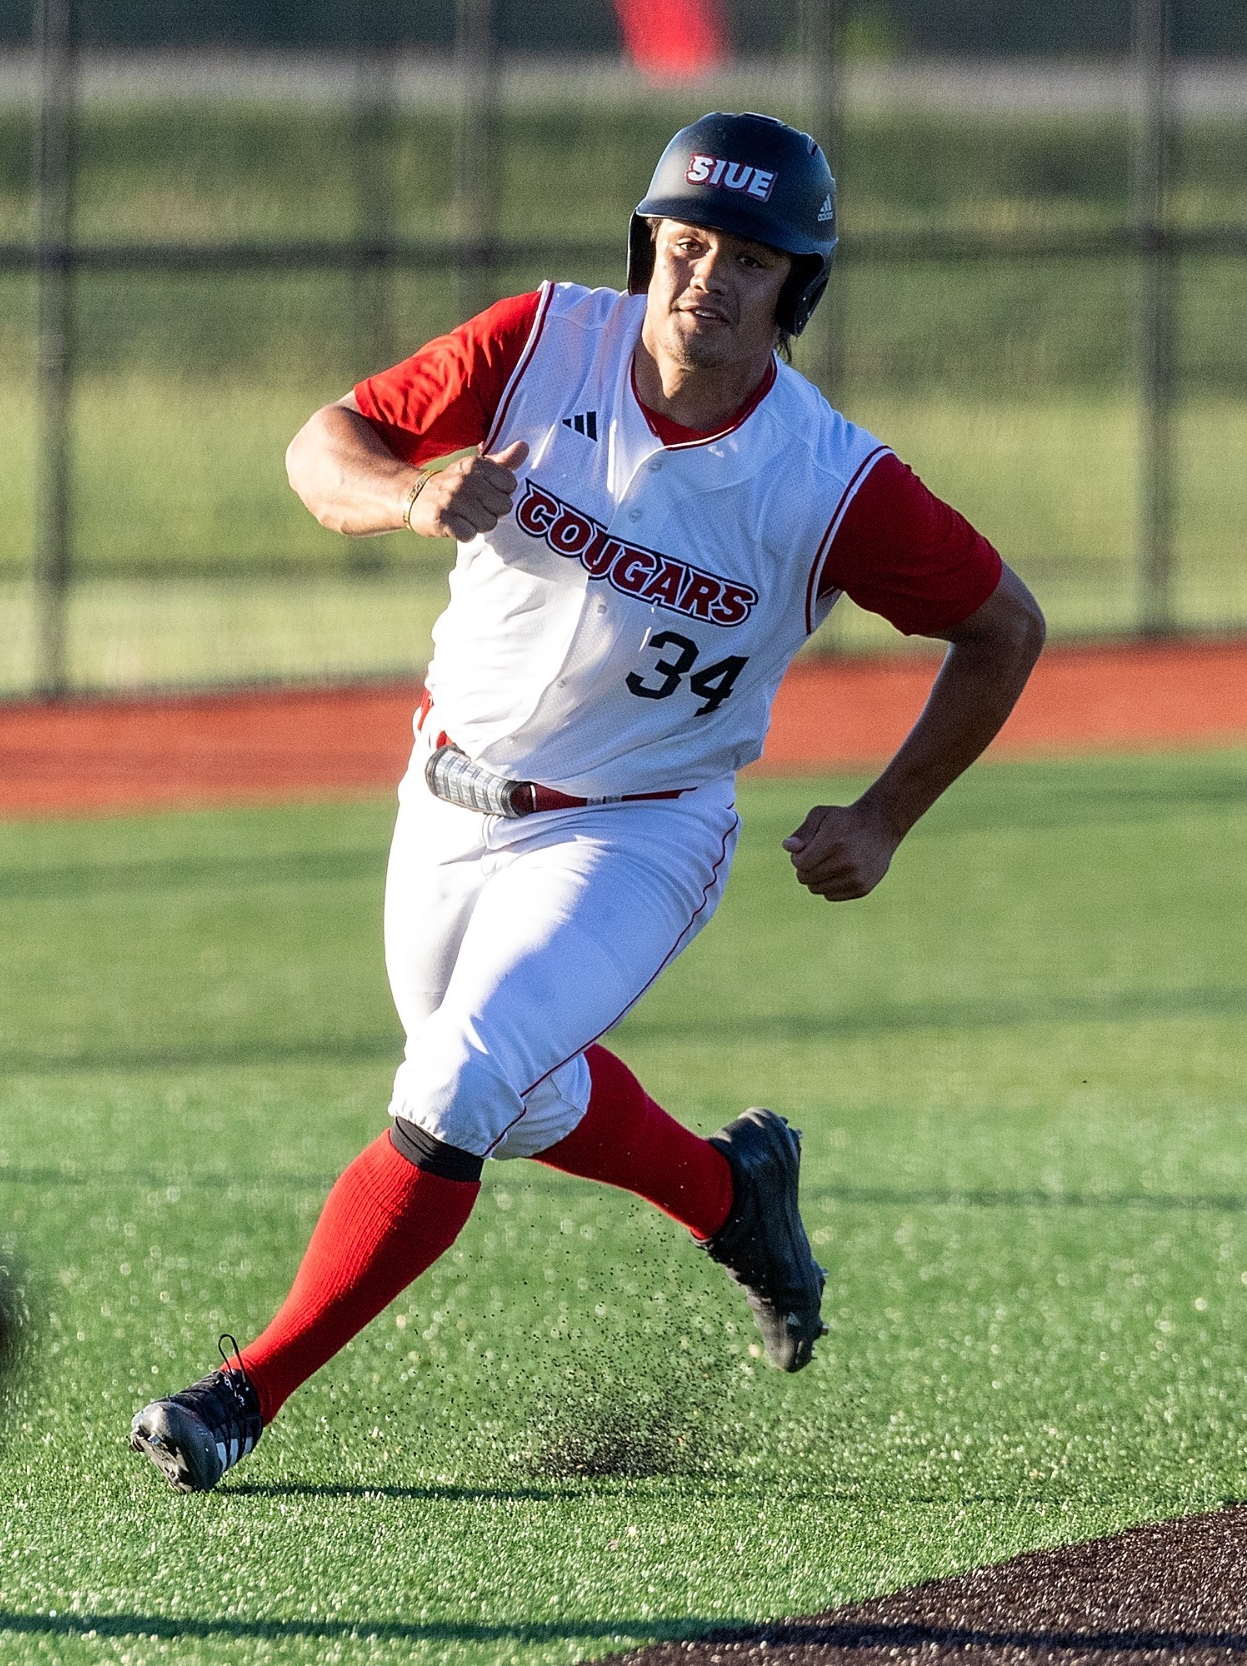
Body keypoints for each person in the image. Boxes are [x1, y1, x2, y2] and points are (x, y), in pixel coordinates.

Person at [128, 112, 1046, 1494]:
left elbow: (1004, 627)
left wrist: (886, 814)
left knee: (457, 1080)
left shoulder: (829, 480)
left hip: (637, 826)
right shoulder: (541, 340)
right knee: (514, 1094)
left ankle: (244, 1393)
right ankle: (737, 1201)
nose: (706, 278)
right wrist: (407, 490)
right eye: (686, 243)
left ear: (798, 287)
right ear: (648, 244)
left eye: (749, 257)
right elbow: (323, 448)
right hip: (444, 796)